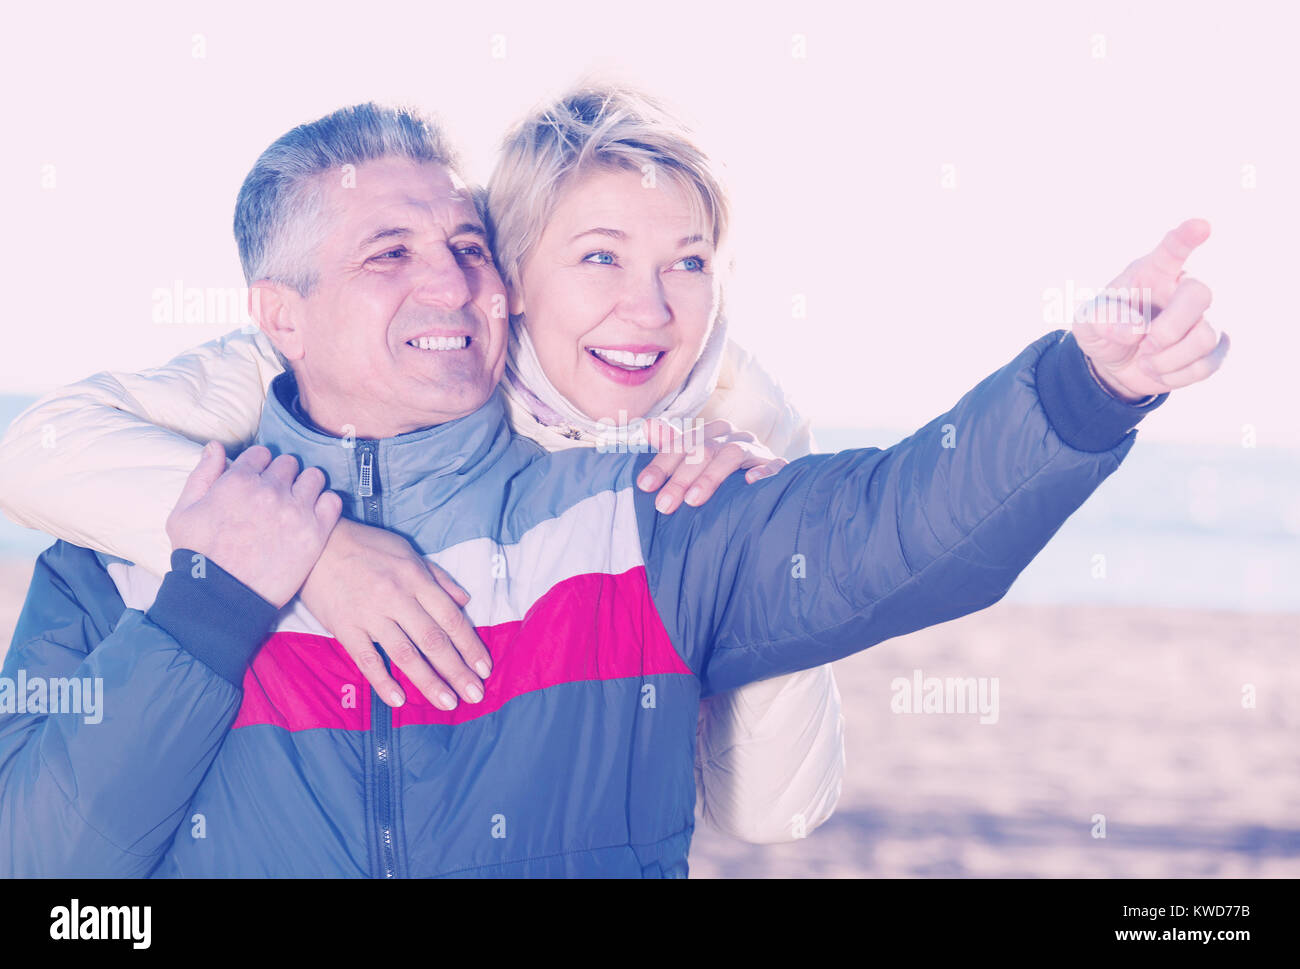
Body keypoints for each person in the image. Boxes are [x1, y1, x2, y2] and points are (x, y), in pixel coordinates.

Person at [0, 102, 1226, 877]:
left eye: (469, 248)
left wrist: (1081, 387)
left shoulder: (646, 507)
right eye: (389, 255)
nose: (451, 286)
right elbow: (45, 871)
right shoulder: (113, 555)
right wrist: (216, 610)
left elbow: (900, 526)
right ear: (280, 315)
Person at [0, 85, 848, 845]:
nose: (650, 307)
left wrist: (767, 525)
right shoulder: (288, 372)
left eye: (689, 262)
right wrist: (311, 555)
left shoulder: (713, 434)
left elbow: (774, 813)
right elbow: (37, 450)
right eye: (599, 255)